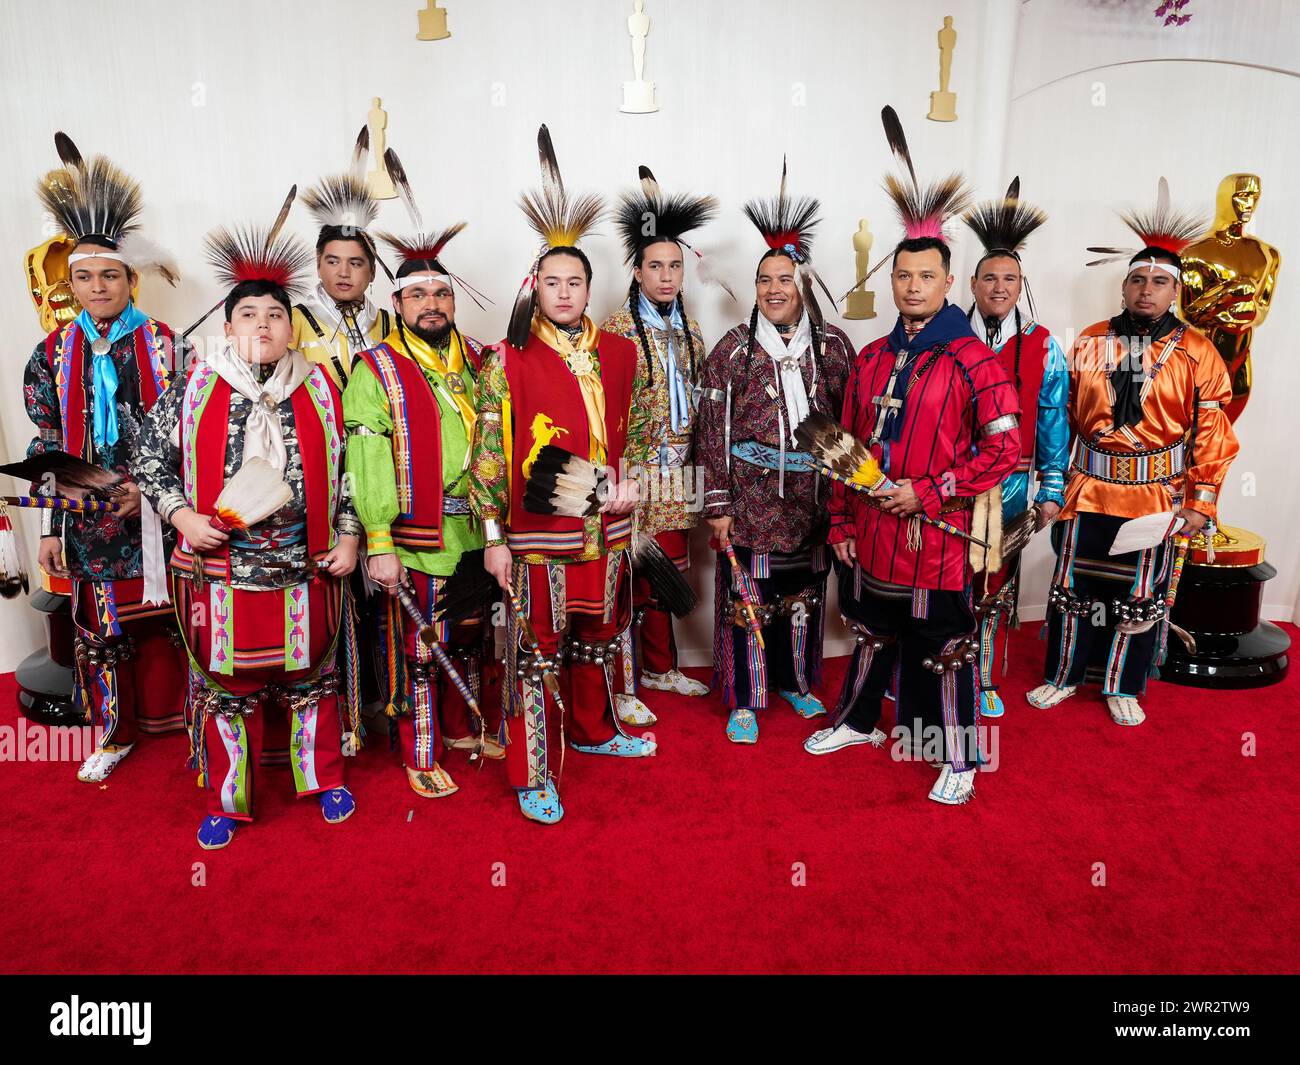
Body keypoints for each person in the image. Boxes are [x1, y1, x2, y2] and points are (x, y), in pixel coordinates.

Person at [803, 111, 1020, 805]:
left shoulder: (976, 361)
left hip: (939, 542)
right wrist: (839, 523)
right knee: (871, 634)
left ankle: (958, 756)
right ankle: (860, 720)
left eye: (926, 276)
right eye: (903, 275)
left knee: (948, 651)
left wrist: (928, 491)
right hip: (871, 537)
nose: (913, 286)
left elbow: (1006, 450)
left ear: (949, 280)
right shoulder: (868, 360)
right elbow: (843, 449)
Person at [135, 213, 360, 849]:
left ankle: (323, 779)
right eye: (250, 315)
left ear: (292, 326)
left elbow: (346, 473)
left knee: (311, 677)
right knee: (226, 684)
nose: (263, 325)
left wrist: (345, 536)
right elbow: (149, 460)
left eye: (275, 315)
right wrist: (183, 516)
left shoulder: (321, 389)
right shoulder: (193, 387)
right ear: (228, 326)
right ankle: (228, 801)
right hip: (221, 570)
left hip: (303, 563)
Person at [468, 125, 654, 825]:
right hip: (536, 530)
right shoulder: (505, 359)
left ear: (589, 286)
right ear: (534, 286)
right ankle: (532, 772)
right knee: (535, 650)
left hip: (605, 523)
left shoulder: (619, 352)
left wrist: (631, 478)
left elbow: (634, 428)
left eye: (577, 282)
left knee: (597, 637)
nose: (566, 292)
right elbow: (487, 454)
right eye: (554, 282)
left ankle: (595, 729)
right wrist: (493, 533)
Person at [1028, 192, 1239, 725]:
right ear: (1124, 286)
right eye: (1138, 280)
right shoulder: (1091, 342)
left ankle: (1125, 684)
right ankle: (1062, 676)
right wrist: (1052, 482)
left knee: (1141, 594)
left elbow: (1213, 430)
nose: (1147, 290)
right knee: (1072, 588)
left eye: (1160, 281)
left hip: (1154, 495)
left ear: (1176, 289)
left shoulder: (1198, 351)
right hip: (1089, 486)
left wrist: (1200, 500)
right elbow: (1064, 417)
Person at [23, 133, 188, 782]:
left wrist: (149, 493)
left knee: (178, 623)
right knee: (102, 635)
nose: (98, 286)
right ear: (71, 284)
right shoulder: (54, 355)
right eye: (85, 277)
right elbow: (45, 444)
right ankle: (115, 732)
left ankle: (189, 720)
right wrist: (46, 528)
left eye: (110, 275)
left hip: (159, 516)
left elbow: (189, 435)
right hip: (87, 519)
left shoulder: (166, 345)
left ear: (130, 279)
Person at [345, 192, 501, 800]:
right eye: (418, 295)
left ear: (453, 300)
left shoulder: (482, 362)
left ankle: (463, 730)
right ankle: (421, 751)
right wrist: (378, 540)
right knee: (420, 646)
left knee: (469, 636)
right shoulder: (376, 368)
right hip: (415, 538)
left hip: (479, 532)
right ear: (397, 303)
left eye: (441, 294)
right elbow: (366, 460)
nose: (431, 304)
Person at [696, 163, 854, 744]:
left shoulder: (835, 347)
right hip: (750, 498)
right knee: (749, 601)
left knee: (803, 599)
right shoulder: (732, 351)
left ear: (803, 284)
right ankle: (744, 695)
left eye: (784, 279)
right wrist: (718, 504)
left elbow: (849, 426)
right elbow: (711, 431)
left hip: (813, 499)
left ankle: (798, 683)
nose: (773, 289)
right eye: (764, 280)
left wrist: (846, 501)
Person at [601, 165, 719, 717]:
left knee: (664, 578)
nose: (668, 276)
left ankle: (662, 667)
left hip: (680, 475)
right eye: (656, 266)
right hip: (631, 476)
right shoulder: (615, 330)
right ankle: (622, 685)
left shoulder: (691, 328)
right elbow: (602, 416)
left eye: (675, 266)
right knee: (625, 578)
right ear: (638, 269)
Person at [961, 182, 1070, 717]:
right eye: (989, 278)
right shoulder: (947, 336)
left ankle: (983, 678)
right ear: (972, 283)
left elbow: (1053, 421)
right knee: (945, 578)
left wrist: (1052, 487)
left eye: (1010, 279)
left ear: (1021, 285)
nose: (999, 287)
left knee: (995, 581)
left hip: (1010, 486)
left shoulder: (1045, 345)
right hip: (951, 486)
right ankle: (935, 666)